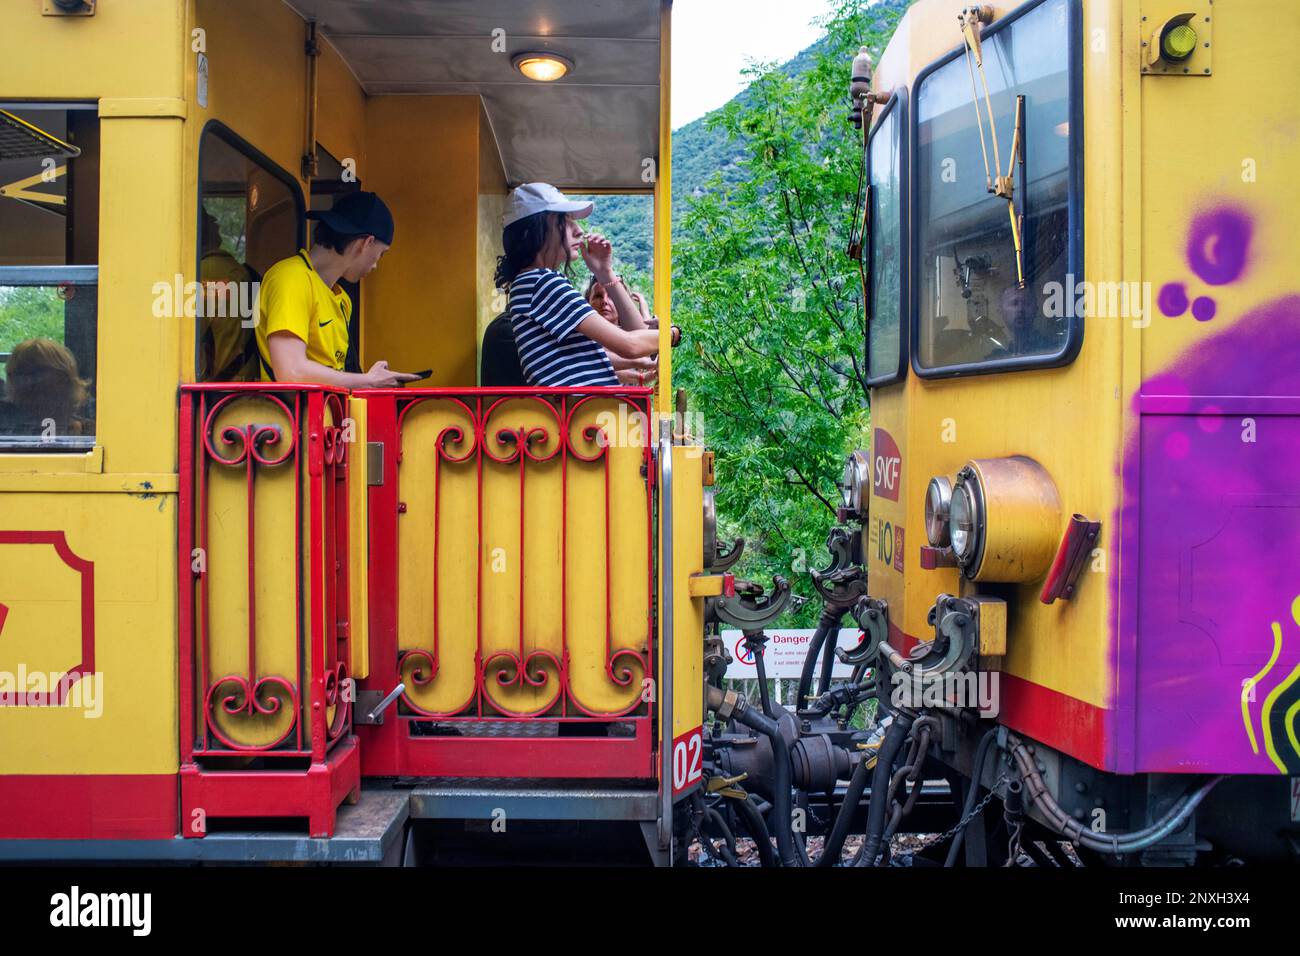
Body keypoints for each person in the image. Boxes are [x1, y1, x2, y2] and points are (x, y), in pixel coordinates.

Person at [494, 183, 658, 387]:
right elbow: (631, 345)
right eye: (565, 221)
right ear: (536, 231)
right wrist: (673, 334)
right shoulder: (543, 283)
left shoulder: (527, 284)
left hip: (584, 413)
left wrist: (604, 272)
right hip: (589, 416)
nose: (579, 230)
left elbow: (636, 334)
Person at [255, 190, 421, 387]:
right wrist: (367, 381)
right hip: (291, 414)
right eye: (381, 254)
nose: (376, 265)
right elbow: (290, 371)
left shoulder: (342, 300)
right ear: (366, 243)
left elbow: (334, 371)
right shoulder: (292, 278)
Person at [0, 338, 90, 438]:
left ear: (65, 380)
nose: (33, 383)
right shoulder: (5, 424)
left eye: (41, 374)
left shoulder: (93, 433)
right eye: (24, 375)